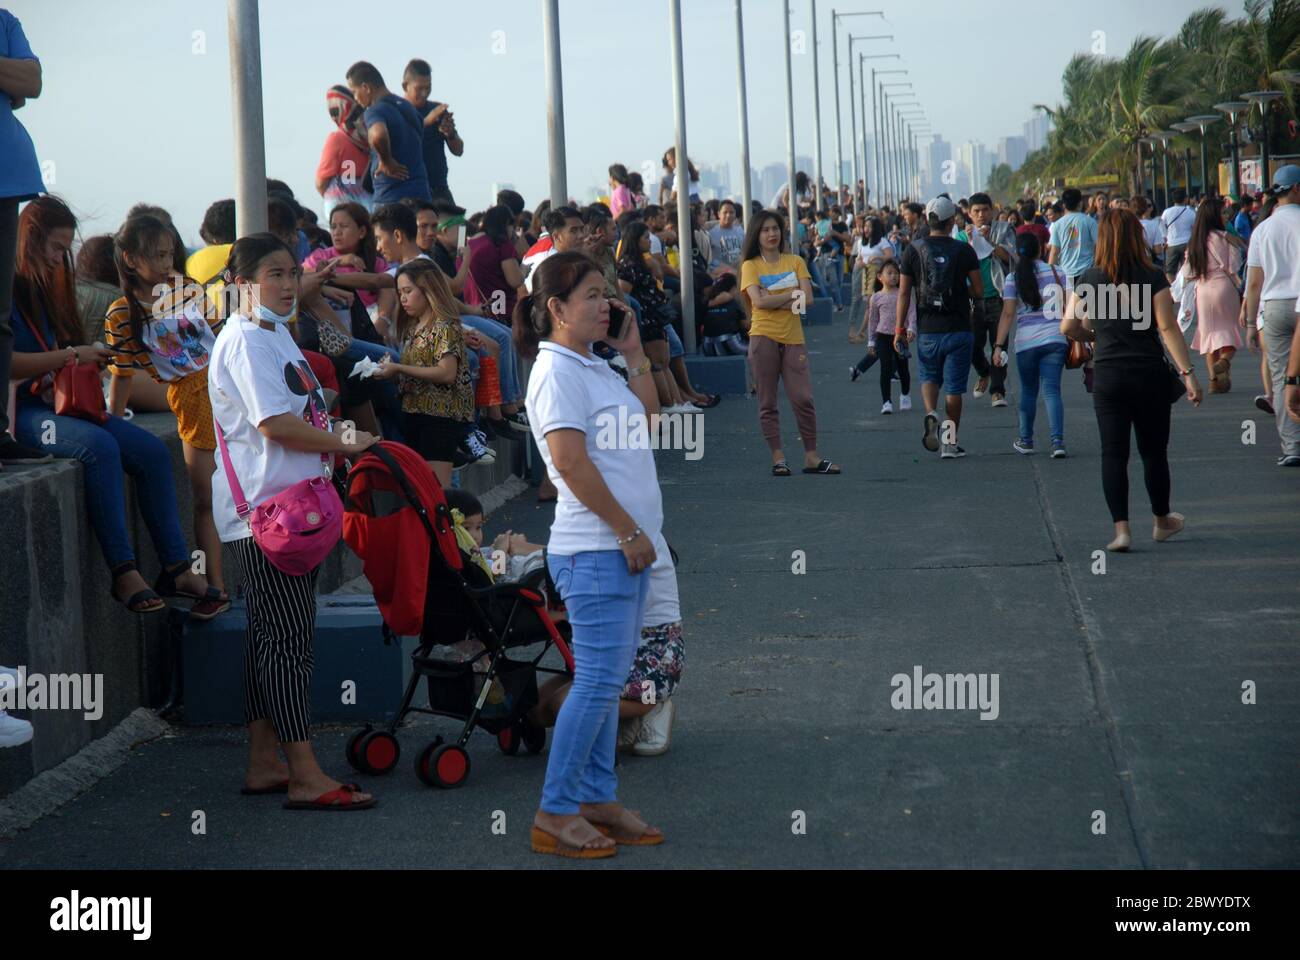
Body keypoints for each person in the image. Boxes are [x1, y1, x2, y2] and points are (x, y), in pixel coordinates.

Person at [208, 232, 379, 810]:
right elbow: (274, 425)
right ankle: (305, 774)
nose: (285, 285)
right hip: (270, 514)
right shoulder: (249, 340)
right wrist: (347, 443)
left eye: (289, 273)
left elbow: (297, 412)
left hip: (287, 507)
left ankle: (264, 762)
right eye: (272, 274)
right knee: (288, 644)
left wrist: (339, 435)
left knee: (268, 640)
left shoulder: (272, 332)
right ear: (240, 283)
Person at [516, 250, 665, 858]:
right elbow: (570, 464)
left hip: (621, 548)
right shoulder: (555, 372)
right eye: (591, 296)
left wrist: (632, 356)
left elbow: (650, 418)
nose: (606, 305)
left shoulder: (595, 364)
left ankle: (599, 798)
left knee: (605, 682)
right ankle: (555, 811)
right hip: (597, 549)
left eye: (607, 293)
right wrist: (628, 532)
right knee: (598, 683)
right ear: (555, 308)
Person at [11, 196, 212, 613]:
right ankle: (123, 572)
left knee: (153, 452)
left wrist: (76, 355)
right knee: (100, 449)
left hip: (57, 403)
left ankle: (175, 567)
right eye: (54, 249)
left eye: (66, 250)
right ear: (30, 241)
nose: (59, 259)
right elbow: (8, 365)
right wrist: (72, 355)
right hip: (22, 413)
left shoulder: (43, 289)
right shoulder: (8, 290)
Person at [105, 215, 230, 619]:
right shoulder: (122, 313)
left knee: (226, 497)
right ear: (129, 258)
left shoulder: (188, 289)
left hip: (222, 389)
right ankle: (217, 588)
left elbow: (220, 334)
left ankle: (222, 586)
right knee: (205, 500)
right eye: (156, 254)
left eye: (169, 253)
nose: (165, 262)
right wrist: (113, 421)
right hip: (190, 401)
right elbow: (121, 374)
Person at [1061, 210, 1203, 552]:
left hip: (1108, 376)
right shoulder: (1152, 276)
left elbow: (1068, 327)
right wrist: (1188, 374)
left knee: (1113, 453)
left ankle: (1121, 530)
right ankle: (1160, 522)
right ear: (1135, 237)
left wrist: (1096, 333)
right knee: (1154, 452)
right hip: (1148, 375)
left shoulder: (1088, 279)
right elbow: (1167, 327)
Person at [739, 209, 840, 476]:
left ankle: (811, 456)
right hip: (763, 338)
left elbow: (806, 300)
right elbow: (757, 303)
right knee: (767, 401)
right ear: (756, 235)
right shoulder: (750, 266)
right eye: (765, 230)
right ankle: (778, 457)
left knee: (803, 398)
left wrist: (772, 296)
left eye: (775, 229)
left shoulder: (795, 261)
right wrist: (789, 295)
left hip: (793, 339)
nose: (772, 234)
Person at [897, 197, 983, 459]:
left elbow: (903, 293)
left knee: (929, 377)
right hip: (958, 327)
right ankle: (949, 443)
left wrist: (899, 329)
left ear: (928, 220)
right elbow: (978, 290)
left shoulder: (913, 250)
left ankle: (931, 413)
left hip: (927, 329)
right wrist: (959, 291)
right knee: (954, 388)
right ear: (951, 222)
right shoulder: (964, 250)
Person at [372, 260, 472, 486]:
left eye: (408, 291)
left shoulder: (445, 326)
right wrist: (391, 371)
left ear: (428, 290)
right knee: (422, 491)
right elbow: (416, 373)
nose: (403, 298)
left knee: (438, 492)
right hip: (414, 415)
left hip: (439, 418)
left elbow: (447, 373)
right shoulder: (411, 328)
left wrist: (399, 367)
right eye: (400, 293)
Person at [992, 232, 1070, 457]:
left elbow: (1007, 314)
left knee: (1028, 391)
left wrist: (998, 346)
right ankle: (1057, 443)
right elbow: (1069, 307)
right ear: (1042, 249)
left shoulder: (1012, 278)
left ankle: (1026, 440)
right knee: (1052, 391)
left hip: (1026, 342)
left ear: (1018, 252)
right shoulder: (1058, 272)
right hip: (1056, 338)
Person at [1243, 165, 1300, 466]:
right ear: (1296, 189)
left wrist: (1252, 323)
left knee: (1281, 377)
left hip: (1275, 307)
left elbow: (1254, 282)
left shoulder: (1262, 229)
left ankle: (1292, 446)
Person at [345, 61, 430, 205]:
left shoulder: (375, 110)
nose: (355, 99)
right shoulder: (409, 108)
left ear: (366, 88)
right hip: (421, 196)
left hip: (391, 198)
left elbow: (378, 134)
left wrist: (386, 161)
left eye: (354, 92)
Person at [1185, 199, 1244, 394]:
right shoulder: (1226, 237)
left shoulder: (1194, 241)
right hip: (1224, 287)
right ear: (1215, 216)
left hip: (1203, 291)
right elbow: (1234, 265)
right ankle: (1224, 361)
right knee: (1230, 333)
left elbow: (1188, 272)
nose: (1226, 216)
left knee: (1208, 336)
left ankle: (1213, 381)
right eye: (1224, 213)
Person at [966, 193, 1017, 408]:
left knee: (999, 345)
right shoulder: (961, 235)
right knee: (971, 346)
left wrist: (989, 241)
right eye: (976, 211)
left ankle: (998, 391)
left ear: (992, 211)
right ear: (969, 214)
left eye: (985, 210)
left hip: (998, 296)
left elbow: (1012, 257)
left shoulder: (1004, 230)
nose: (981, 215)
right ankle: (984, 372)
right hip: (973, 301)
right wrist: (971, 241)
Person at [850, 260, 914, 414]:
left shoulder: (903, 293)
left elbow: (911, 312)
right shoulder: (876, 297)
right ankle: (887, 402)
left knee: (903, 369)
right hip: (883, 337)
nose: (894, 276)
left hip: (901, 336)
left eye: (896, 273)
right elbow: (873, 321)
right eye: (889, 273)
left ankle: (905, 395)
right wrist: (871, 341)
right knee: (885, 369)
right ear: (880, 276)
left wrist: (911, 328)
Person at [401, 58, 463, 204]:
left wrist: (450, 133)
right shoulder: (396, 111)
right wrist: (427, 121)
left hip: (439, 188)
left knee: (460, 226)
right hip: (409, 190)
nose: (424, 93)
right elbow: (400, 143)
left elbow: (459, 150)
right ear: (405, 86)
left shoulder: (437, 110)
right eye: (419, 89)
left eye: (428, 88)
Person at [315, 85, 372, 218]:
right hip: (369, 205)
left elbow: (321, 182)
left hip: (342, 211)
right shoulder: (373, 132)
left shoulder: (337, 139)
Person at [1047, 188, 1098, 286]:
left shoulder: (1057, 225)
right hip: (1087, 273)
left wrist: (1050, 276)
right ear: (1080, 203)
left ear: (1064, 205)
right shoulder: (1090, 221)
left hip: (1066, 274)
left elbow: (1054, 253)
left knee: (1070, 301)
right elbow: (1100, 246)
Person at [1160, 189, 1195, 281]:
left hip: (1171, 244)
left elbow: (1162, 226)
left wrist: (1165, 239)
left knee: (1170, 271)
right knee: (1187, 268)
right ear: (1186, 199)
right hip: (1187, 243)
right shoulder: (1191, 212)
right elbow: (1194, 228)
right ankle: (1184, 289)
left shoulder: (1166, 212)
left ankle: (1172, 289)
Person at [706, 199, 745, 275]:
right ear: (718, 214)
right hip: (722, 273)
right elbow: (710, 261)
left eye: (731, 212)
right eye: (725, 212)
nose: (728, 215)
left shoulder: (740, 231)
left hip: (740, 272)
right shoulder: (711, 233)